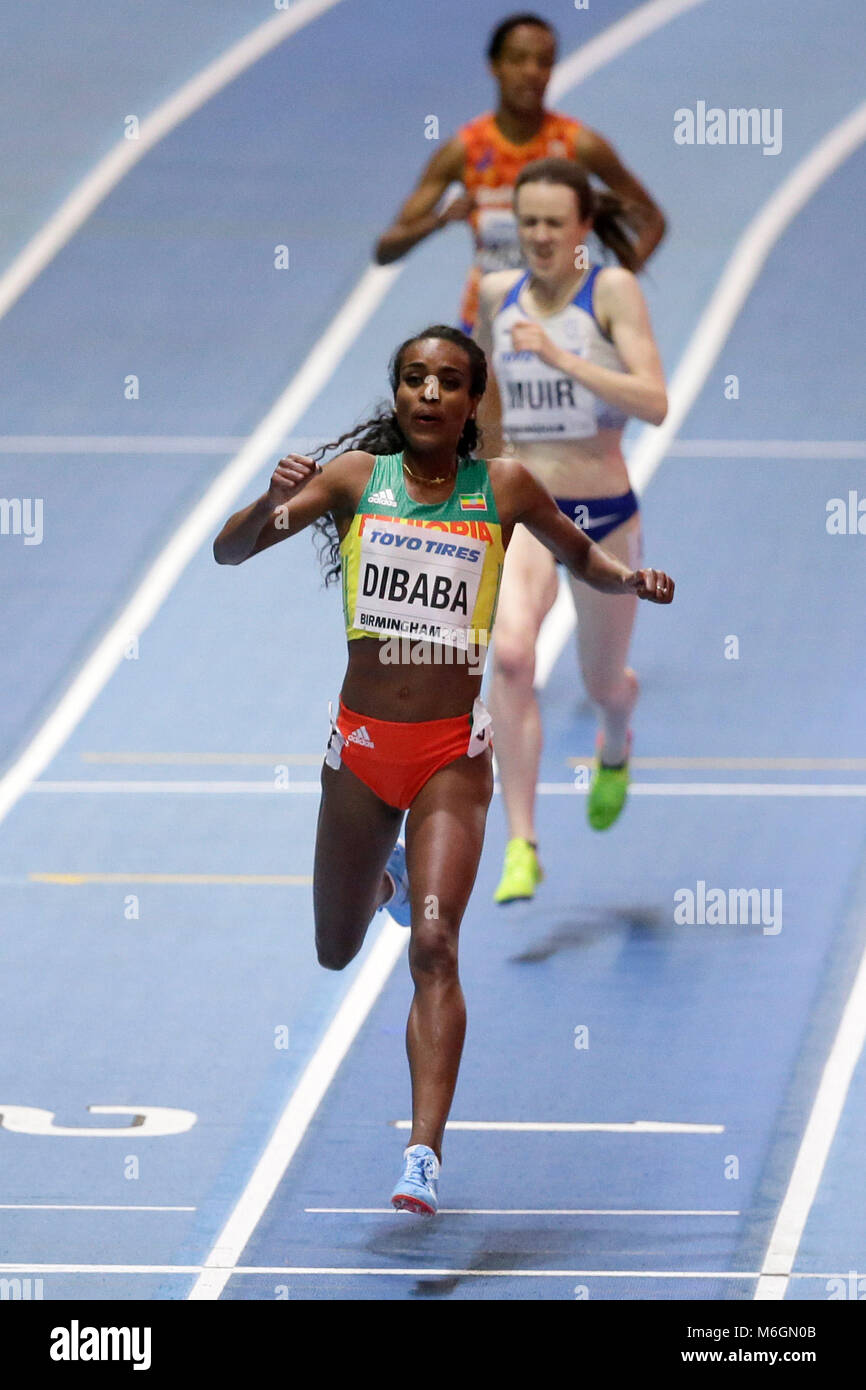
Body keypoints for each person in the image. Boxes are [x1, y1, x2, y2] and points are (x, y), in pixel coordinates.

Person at [212, 325, 674, 1213]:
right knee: (335, 949)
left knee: (436, 944)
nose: (430, 393)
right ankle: (383, 882)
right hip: (360, 751)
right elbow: (232, 553)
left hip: (449, 758)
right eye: (415, 378)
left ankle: (422, 1153)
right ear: (398, 395)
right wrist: (269, 500)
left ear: (474, 403)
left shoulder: (502, 488)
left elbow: (580, 554)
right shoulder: (353, 483)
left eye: (449, 381)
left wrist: (628, 581)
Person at [473, 156, 668, 904]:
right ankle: (522, 844)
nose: (542, 236)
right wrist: (482, 477)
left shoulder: (610, 290)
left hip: (602, 514)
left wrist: (562, 358)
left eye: (557, 222)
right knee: (514, 661)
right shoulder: (498, 294)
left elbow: (654, 401)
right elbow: (489, 401)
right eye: (529, 223)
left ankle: (616, 737)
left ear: (585, 226)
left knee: (599, 681)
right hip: (527, 511)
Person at [374, 11, 665, 334]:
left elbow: (652, 221)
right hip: (487, 323)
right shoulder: (465, 150)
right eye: (519, 60)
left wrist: (606, 291)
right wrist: (439, 221)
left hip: (562, 322)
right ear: (494, 66)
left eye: (544, 62)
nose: (532, 72)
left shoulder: (578, 144)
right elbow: (386, 250)